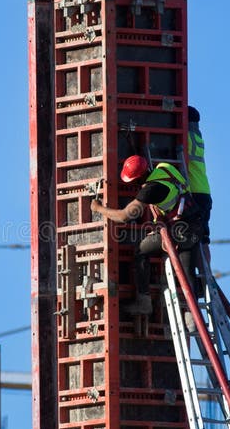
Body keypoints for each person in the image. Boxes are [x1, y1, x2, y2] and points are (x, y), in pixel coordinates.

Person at [90, 155, 203, 317]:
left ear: (139, 177)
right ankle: (194, 312)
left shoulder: (150, 190)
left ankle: (144, 302)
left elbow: (124, 216)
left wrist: (99, 209)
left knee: (143, 251)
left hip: (182, 232)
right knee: (188, 272)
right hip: (195, 222)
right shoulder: (164, 167)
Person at [187, 106, 212, 249]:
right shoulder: (198, 138)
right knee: (203, 238)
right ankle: (206, 270)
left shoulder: (185, 137)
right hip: (205, 191)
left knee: (191, 237)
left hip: (193, 191)